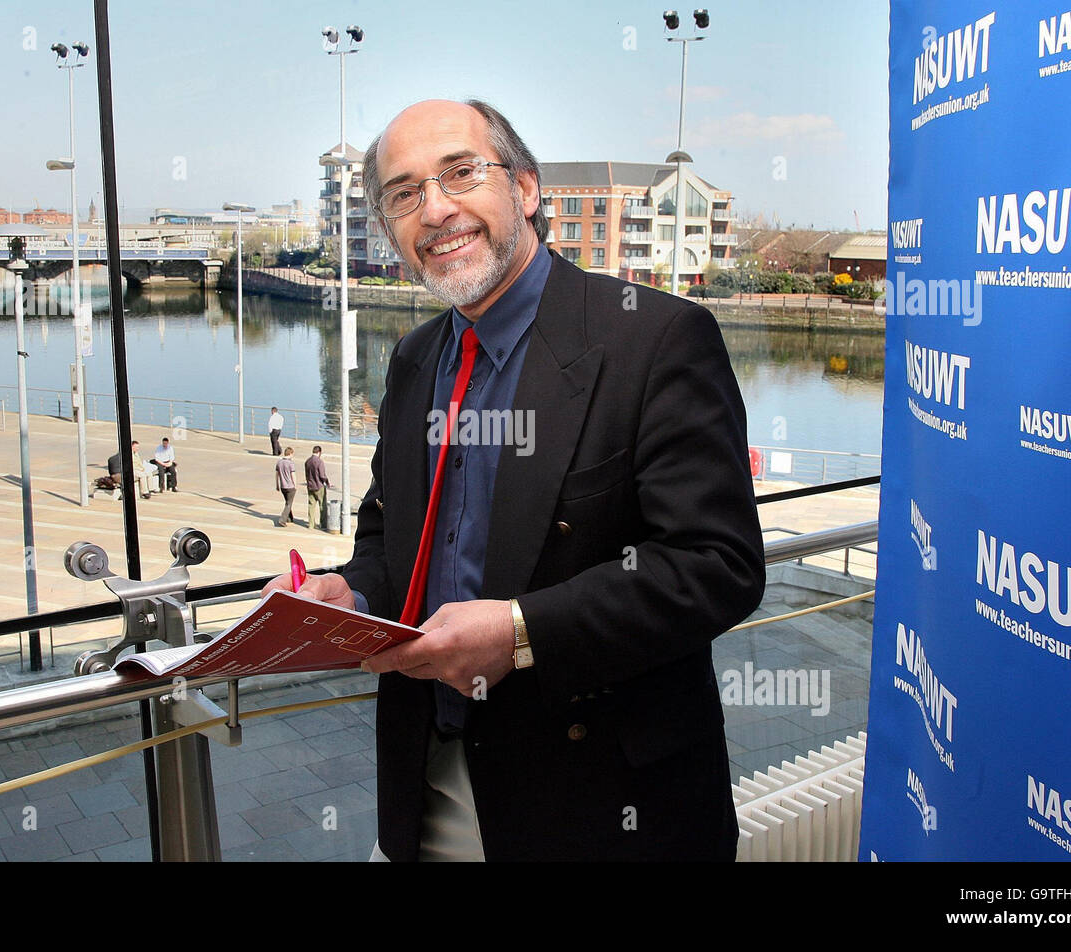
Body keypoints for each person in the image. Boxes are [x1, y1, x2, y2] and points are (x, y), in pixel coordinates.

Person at [263, 99, 764, 862]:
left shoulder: (655, 339)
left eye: (461, 173)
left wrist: (522, 633)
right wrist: (349, 594)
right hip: (426, 785)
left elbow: (715, 567)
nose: (435, 209)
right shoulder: (413, 361)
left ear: (525, 190)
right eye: (403, 194)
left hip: (598, 807)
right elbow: (392, 538)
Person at [304, 445, 330, 531]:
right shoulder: (319, 462)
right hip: (319, 486)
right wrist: (327, 482)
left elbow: (307, 474)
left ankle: (311, 524)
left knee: (311, 505)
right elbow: (322, 475)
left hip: (310, 486)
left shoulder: (307, 461)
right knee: (322, 505)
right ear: (319, 452)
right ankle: (323, 524)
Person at [275, 446, 296, 526]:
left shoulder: (279, 462)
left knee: (287, 501)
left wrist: (277, 484)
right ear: (290, 453)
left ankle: (289, 518)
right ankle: (282, 519)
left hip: (282, 486)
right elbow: (293, 475)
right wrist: (295, 485)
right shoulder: (291, 463)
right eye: (292, 454)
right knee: (289, 503)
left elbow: (277, 474)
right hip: (290, 486)